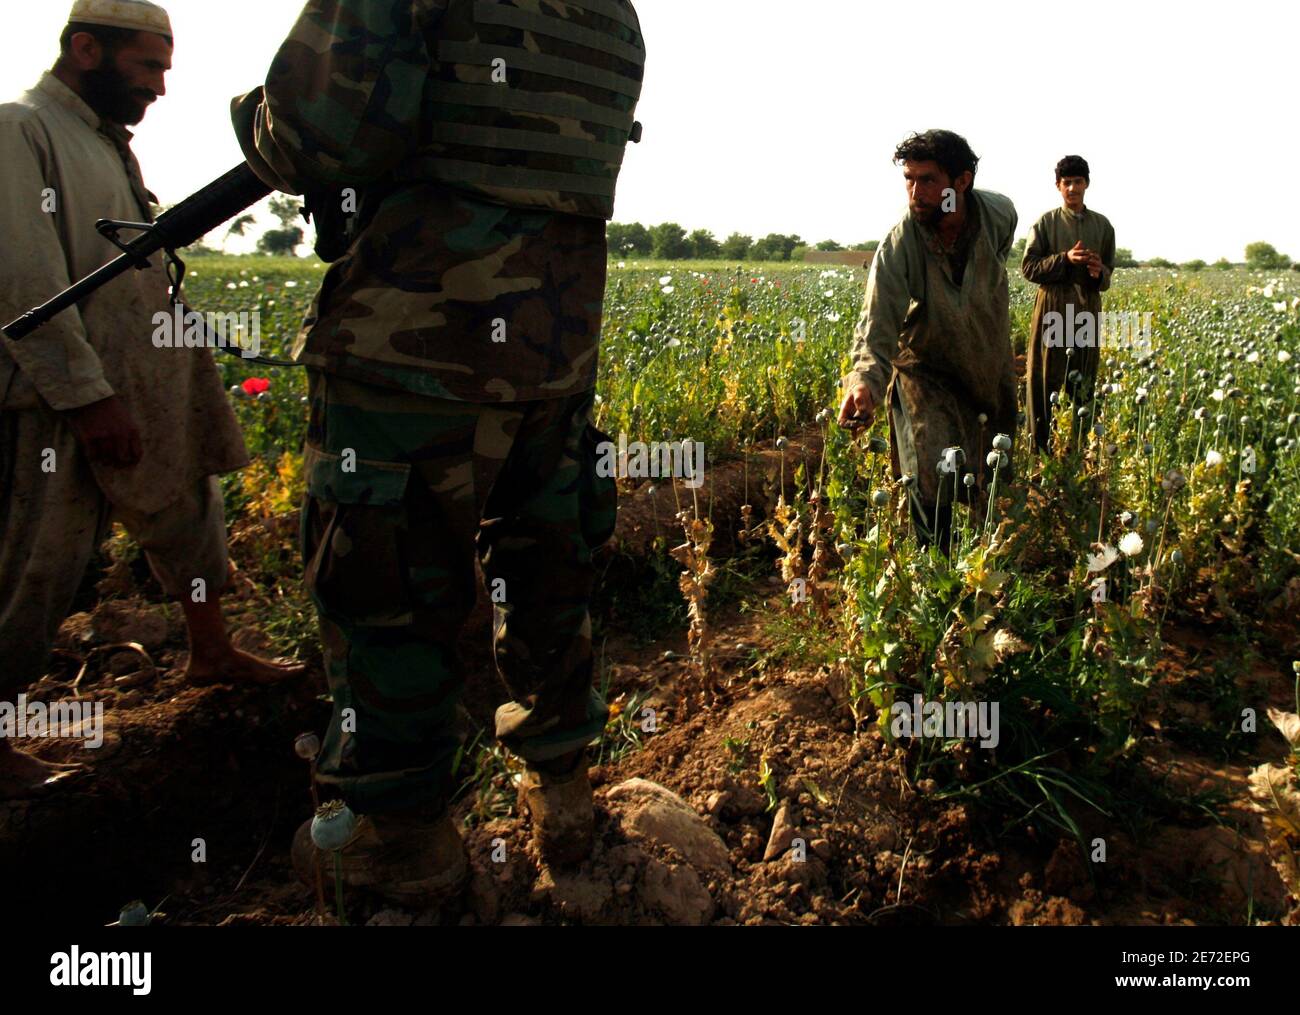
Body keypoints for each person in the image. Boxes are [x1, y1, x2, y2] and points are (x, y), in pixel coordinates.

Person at [231, 0, 645, 902]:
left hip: (411, 346)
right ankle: (564, 790)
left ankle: (396, 837)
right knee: (550, 560)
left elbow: (324, 131)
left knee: (386, 583)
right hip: (555, 348)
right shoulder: (610, 10)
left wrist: (252, 122)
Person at [0, 0, 303, 800]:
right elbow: (23, 280)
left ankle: (212, 648)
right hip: (60, 398)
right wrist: (88, 399)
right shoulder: (20, 129)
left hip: (146, 375)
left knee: (190, 518)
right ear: (85, 48)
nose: (161, 88)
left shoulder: (104, 144)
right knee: (39, 571)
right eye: (148, 68)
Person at [838, 130, 1019, 552]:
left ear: (962, 182)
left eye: (928, 180)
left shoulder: (998, 215)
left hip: (987, 366)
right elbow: (877, 321)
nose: (915, 192)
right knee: (931, 471)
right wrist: (863, 381)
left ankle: (983, 569)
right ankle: (934, 574)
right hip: (926, 369)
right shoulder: (901, 242)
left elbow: (1001, 252)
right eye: (909, 179)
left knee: (991, 476)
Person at [1023, 155, 1116, 452]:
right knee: (1045, 377)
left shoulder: (1103, 226)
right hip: (1053, 306)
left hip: (1086, 306)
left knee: (1084, 376)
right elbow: (1029, 268)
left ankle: (1078, 451)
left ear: (1087, 184)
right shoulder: (1045, 223)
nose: (1073, 188)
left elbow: (1109, 273)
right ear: (1058, 186)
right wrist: (1064, 259)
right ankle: (1040, 452)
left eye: (1078, 182)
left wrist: (1098, 271)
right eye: (1067, 183)